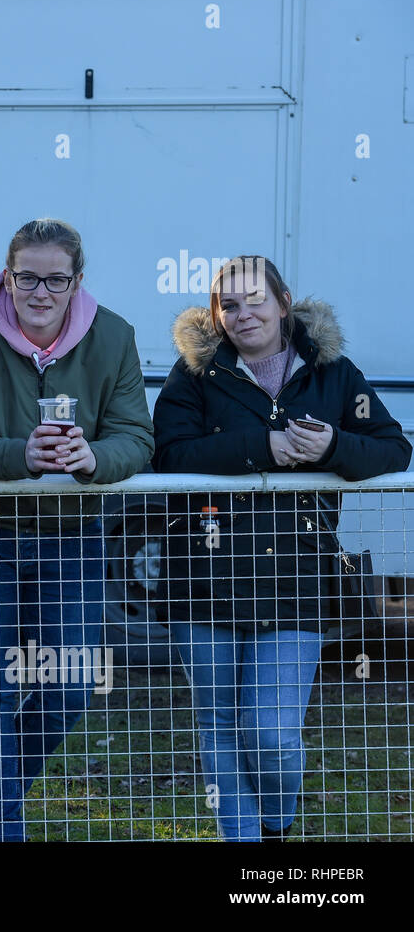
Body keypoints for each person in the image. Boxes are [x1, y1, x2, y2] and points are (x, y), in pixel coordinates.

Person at [152, 255, 410, 841]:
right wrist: (263, 447)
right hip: (203, 578)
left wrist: (333, 447)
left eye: (255, 300)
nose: (243, 314)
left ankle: (273, 826)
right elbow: (168, 454)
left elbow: (393, 448)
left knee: (271, 732)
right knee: (217, 724)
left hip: (297, 578)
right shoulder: (195, 373)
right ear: (217, 316)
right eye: (229, 305)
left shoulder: (334, 374)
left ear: (284, 301)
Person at [0, 217, 154, 841]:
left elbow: (136, 436)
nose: (39, 292)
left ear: (76, 281)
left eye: (54, 279)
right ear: (7, 276)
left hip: (72, 530)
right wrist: (22, 456)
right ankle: (4, 827)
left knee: (71, 682)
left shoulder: (113, 336)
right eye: (26, 277)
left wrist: (95, 461)